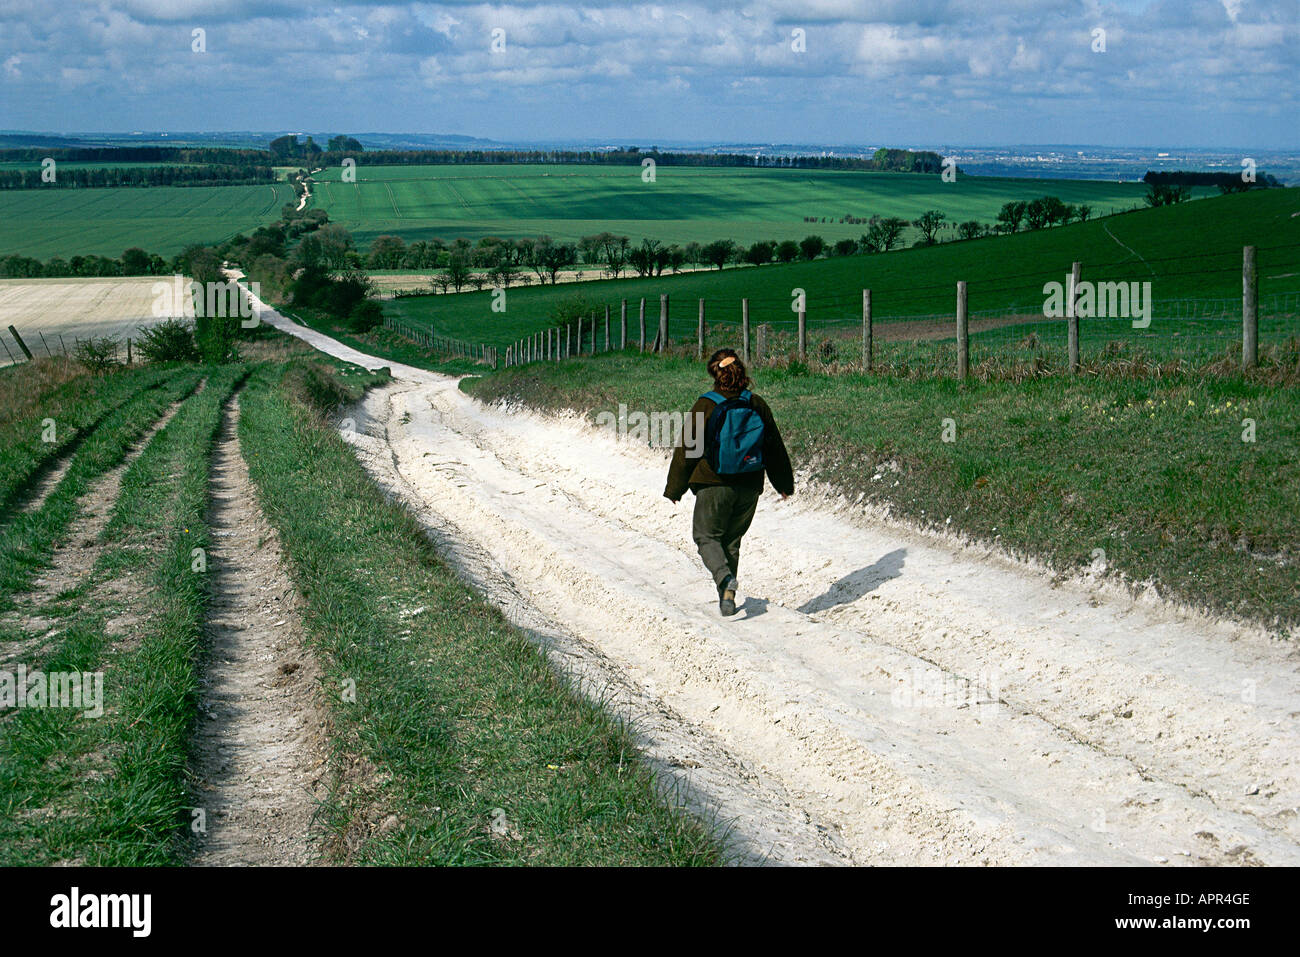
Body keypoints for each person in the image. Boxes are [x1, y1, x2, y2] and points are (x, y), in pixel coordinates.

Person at [664, 348, 794, 616]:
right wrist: (783, 484)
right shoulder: (756, 403)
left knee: (706, 536)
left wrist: (675, 488)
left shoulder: (706, 404)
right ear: (741, 371)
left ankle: (724, 579)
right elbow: (774, 447)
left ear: (714, 373)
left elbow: (689, 449)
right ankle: (727, 597)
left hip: (714, 484)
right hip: (749, 486)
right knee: (731, 541)